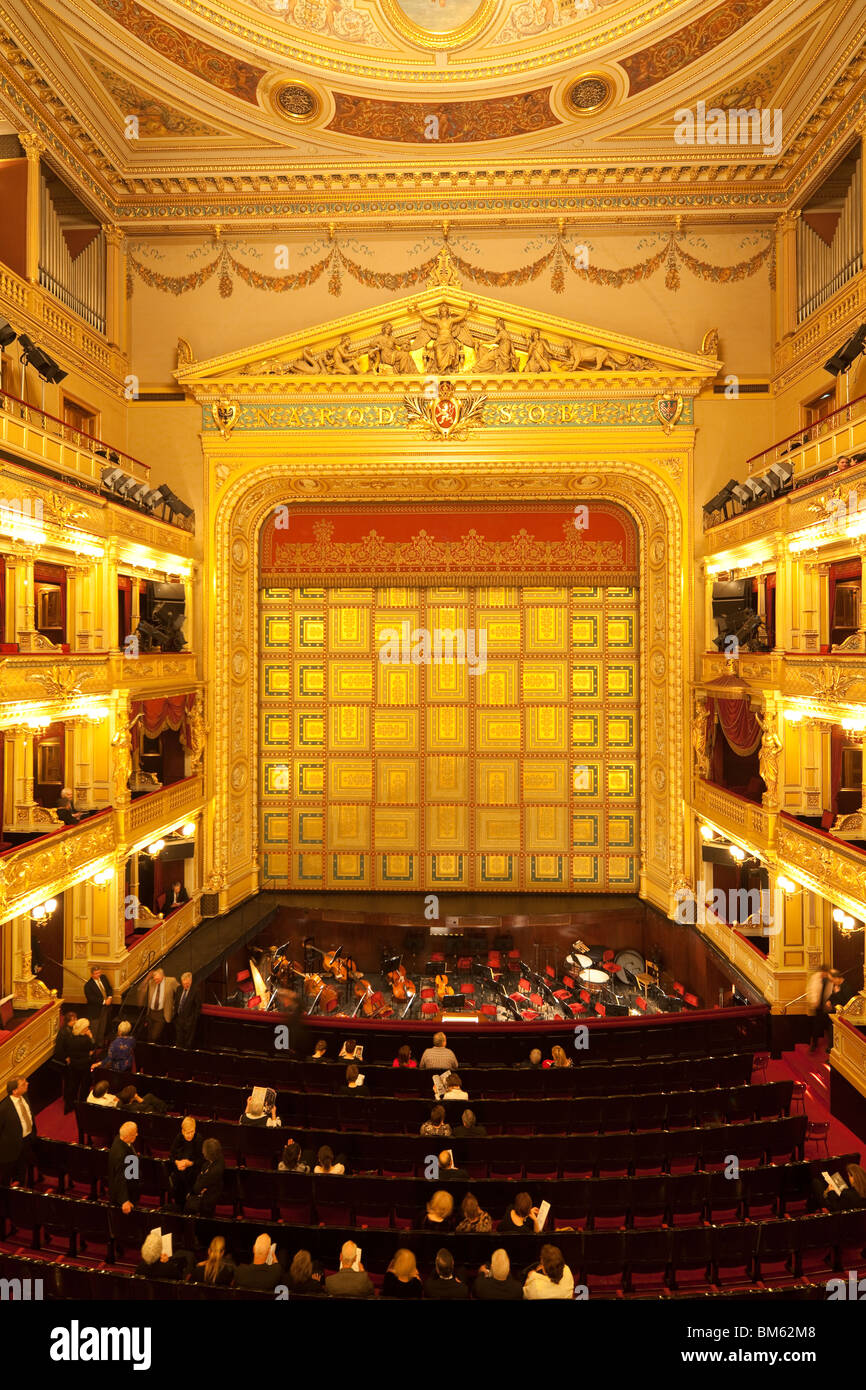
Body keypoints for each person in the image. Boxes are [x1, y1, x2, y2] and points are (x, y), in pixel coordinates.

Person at [0, 1076, 37, 1187]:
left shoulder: (24, 1096)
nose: (27, 1083)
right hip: (10, 1148)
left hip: (27, 1141)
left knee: (22, 1170)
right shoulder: (3, 1108)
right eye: (23, 1083)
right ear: (15, 1090)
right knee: (6, 1176)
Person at [184, 1137, 224, 1215]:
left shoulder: (214, 1170)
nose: (202, 1152)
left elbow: (197, 1188)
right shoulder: (218, 1158)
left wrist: (193, 1192)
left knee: (187, 1203)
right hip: (208, 1192)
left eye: (204, 1150)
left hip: (209, 1200)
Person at [169, 1116, 203, 1208]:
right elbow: (171, 1156)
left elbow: (201, 1160)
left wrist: (189, 1163)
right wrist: (177, 1162)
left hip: (193, 1173)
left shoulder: (198, 1139)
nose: (190, 1135)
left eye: (192, 1132)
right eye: (187, 1133)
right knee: (177, 1181)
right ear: (182, 1131)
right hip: (179, 1173)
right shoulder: (179, 1138)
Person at [139, 968, 179, 1043]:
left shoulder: (171, 981)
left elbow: (179, 991)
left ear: (163, 976)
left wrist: (174, 1006)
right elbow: (141, 989)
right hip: (151, 1013)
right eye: (155, 979)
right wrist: (147, 978)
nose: (156, 981)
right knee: (149, 1036)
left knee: (154, 1036)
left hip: (161, 1014)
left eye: (157, 979)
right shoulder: (152, 982)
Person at [64, 1018, 96, 1113]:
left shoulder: (70, 1037)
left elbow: (67, 1050)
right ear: (83, 1028)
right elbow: (93, 1047)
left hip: (73, 1065)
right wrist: (91, 1037)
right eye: (87, 1027)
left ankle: (69, 1106)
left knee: (73, 1085)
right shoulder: (86, 1039)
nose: (88, 1029)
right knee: (85, 1086)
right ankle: (82, 1105)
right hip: (84, 1066)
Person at [108, 1121, 139, 1211]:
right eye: (134, 1134)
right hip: (126, 1193)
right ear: (127, 1137)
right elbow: (120, 1177)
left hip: (130, 1182)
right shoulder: (121, 1155)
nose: (137, 1135)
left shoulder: (119, 1138)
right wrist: (125, 1200)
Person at [83, 965, 113, 1047]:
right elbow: (91, 999)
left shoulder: (103, 978)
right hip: (95, 1011)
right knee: (95, 1029)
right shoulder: (88, 985)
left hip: (105, 1008)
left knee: (102, 1027)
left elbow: (109, 989)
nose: (98, 975)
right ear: (92, 974)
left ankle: (100, 1044)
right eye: (96, 973)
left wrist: (110, 997)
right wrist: (104, 1001)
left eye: (99, 972)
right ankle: (92, 1046)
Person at [806, 963, 831, 1053]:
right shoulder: (815, 978)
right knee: (816, 1026)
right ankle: (814, 1044)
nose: (824, 974)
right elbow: (811, 990)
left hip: (828, 1007)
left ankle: (830, 1045)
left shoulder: (830, 979)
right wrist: (813, 1002)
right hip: (819, 1006)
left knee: (829, 1026)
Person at [173, 971, 201, 1049]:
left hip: (189, 1021)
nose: (185, 985)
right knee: (178, 1042)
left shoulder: (196, 991)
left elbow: (198, 1007)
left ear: (190, 981)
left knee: (187, 1044)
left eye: (187, 984)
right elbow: (176, 1003)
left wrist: (193, 1019)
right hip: (178, 1020)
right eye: (183, 983)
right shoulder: (179, 989)